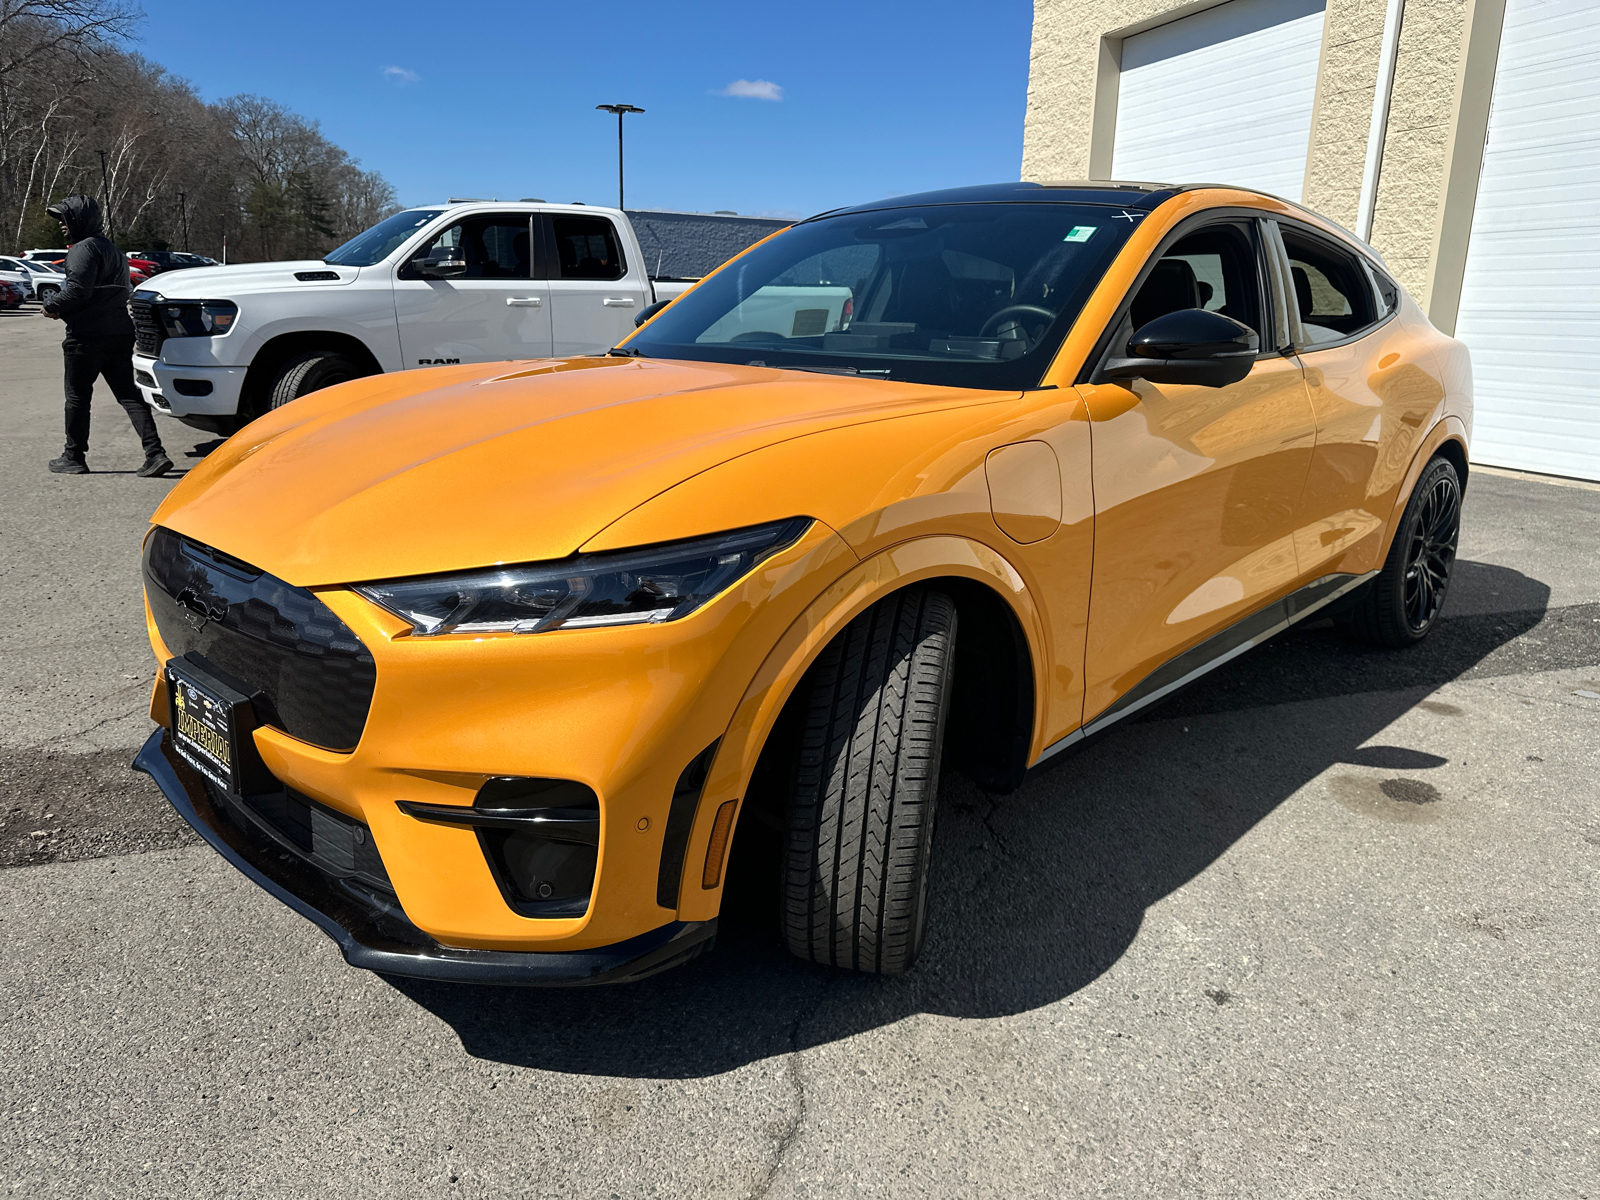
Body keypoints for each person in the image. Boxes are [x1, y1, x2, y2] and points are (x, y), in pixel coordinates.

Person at [40, 194, 172, 477]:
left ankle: (73, 456)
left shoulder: (82, 249)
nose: (62, 223)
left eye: (66, 217)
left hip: (86, 337)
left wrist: (51, 306)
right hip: (120, 332)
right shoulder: (113, 250)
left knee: (77, 398)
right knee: (130, 396)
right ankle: (155, 453)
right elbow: (119, 291)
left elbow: (78, 290)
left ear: (81, 219)